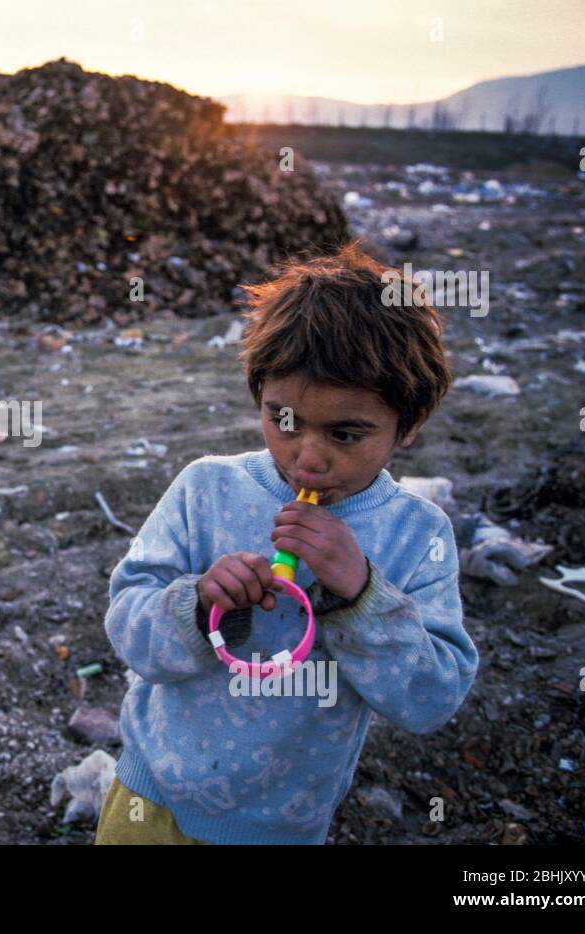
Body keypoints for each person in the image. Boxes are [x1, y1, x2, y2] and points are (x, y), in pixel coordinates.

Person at [95, 241, 479, 844]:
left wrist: (362, 594)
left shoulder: (416, 534)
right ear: (259, 396)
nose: (308, 456)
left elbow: (431, 699)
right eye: (284, 420)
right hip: (153, 797)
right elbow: (127, 628)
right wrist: (197, 604)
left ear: (408, 425)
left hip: (282, 823)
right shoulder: (207, 490)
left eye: (346, 433)